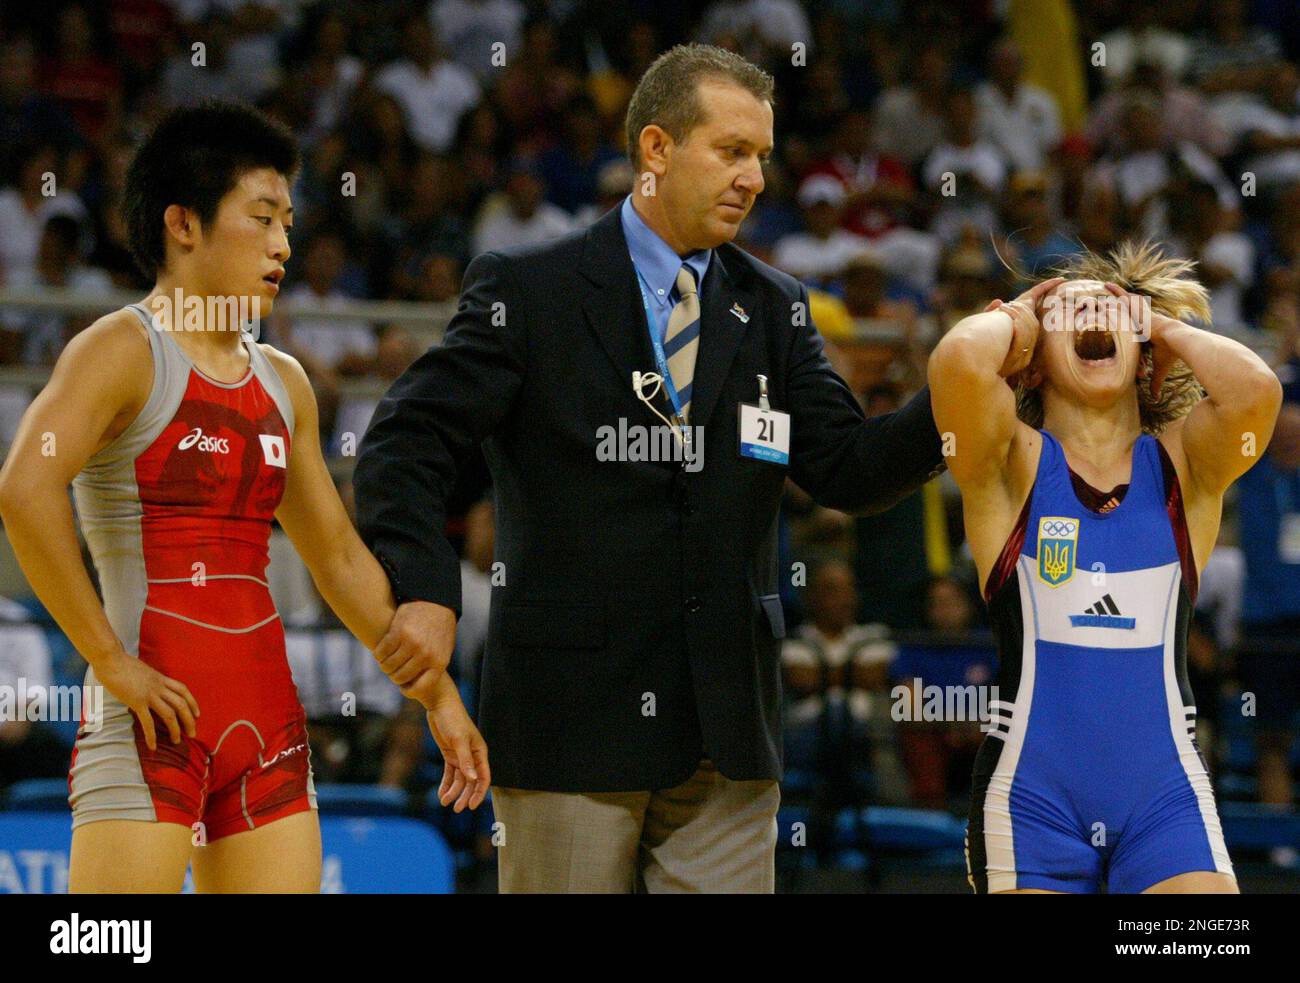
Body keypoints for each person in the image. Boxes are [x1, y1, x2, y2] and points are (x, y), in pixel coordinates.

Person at [354, 44, 946, 893]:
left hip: (728, 732)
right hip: (568, 722)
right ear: (657, 149)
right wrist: (425, 587)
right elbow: (405, 439)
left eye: (763, 158)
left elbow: (849, 468)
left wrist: (960, 394)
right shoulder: (531, 288)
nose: (753, 178)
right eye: (731, 151)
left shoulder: (775, 305)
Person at [0, 101, 488, 894]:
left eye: (287, 222)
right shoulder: (121, 350)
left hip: (266, 726)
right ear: (184, 225)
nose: (283, 244)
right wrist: (110, 661)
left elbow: (334, 556)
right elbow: (24, 490)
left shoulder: (282, 381)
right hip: (148, 717)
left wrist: (435, 693)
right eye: (261, 219)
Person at [930, 242, 1282, 894]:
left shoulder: (1185, 466)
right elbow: (957, 361)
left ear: (1143, 352)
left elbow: (1256, 391)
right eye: (1069, 313)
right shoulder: (1009, 461)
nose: (1090, 314)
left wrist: (1166, 327)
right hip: (1031, 799)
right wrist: (1022, 314)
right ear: (1033, 366)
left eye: (1112, 311)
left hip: (1164, 801)